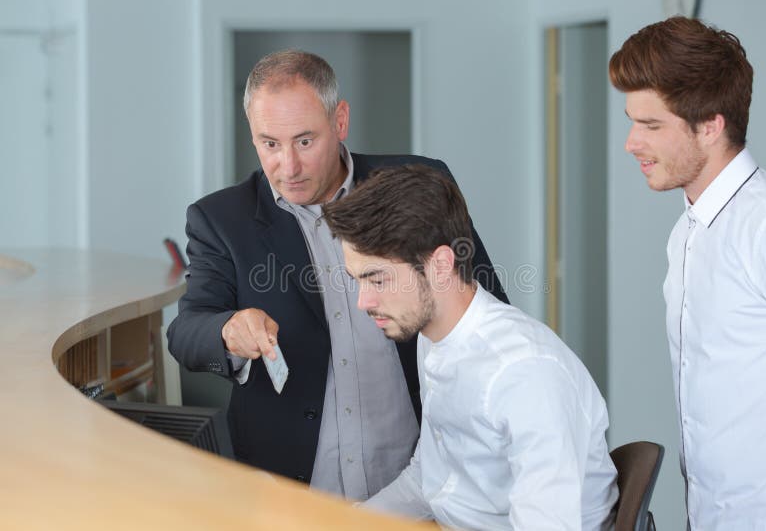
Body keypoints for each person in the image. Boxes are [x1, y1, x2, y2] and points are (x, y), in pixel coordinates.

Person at [166, 50, 507, 500]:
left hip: (425, 470)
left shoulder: (418, 183)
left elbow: (486, 307)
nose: (288, 166)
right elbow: (186, 331)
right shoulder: (220, 218)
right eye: (270, 144)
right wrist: (227, 330)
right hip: (291, 487)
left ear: (340, 121)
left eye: (305, 141)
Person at [323, 164, 618, 530]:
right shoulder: (433, 337)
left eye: (377, 279)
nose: (363, 302)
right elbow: (428, 480)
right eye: (357, 280)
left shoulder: (524, 372)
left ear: (441, 265)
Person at [610, 16, 766, 529]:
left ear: (711, 125)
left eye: (651, 125)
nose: (631, 143)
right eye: (633, 121)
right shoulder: (689, 230)